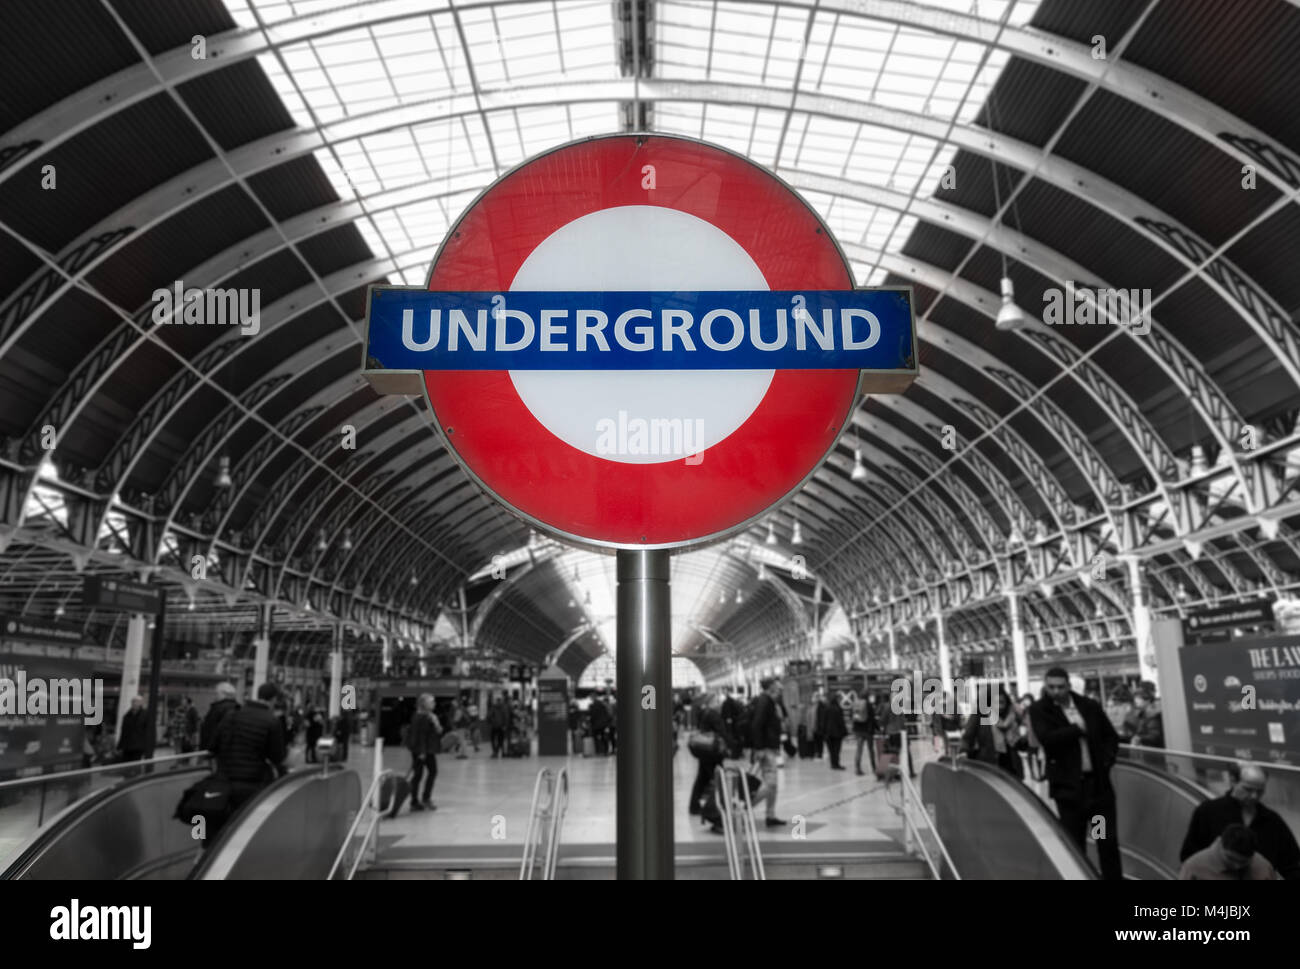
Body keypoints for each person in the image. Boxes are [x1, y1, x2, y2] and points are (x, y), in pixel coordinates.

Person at [1029, 667, 1122, 880]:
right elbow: (1048, 739)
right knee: (1076, 843)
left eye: (1060, 687)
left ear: (1069, 686)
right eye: (1051, 687)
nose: (1056, 691)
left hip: (1097, 791)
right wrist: (1076, 729)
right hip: (1070, 793)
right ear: (1045, 686)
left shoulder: (1088, 706)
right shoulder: (1040, 710)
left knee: (1104, 840)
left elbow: (1110, 737)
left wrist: (1105, 762)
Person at [1179, 763, 1300, 880]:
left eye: (1260, 791)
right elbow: (1190, 854)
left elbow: (1292, 864)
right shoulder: (1208, 811)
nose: (1254, 796)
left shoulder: (1273, 821)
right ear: (1233, 781)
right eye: (1248, 789)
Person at [210, 682, 287, 827]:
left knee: (222, 825)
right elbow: (278, 757)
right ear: (274, 699)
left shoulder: (231, 715)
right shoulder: (271, 721)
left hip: (223, 781)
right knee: (245, 825)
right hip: (252, 784)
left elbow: (212, 745)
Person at [960, 686, 1023, 779]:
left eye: (1003, 702)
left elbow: (1017, 741)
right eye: (996, 702)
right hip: (988, 762)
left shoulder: (1012, 716)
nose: (1000, 706)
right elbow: (968, 737)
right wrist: (963, 751)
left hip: (1011, 763)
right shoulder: (981, 715)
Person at [1179, 823, 1281, 880]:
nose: (1237, 866)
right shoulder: (1194, 866)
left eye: (1243, 862)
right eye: (1231, 858)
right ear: (1222, 845)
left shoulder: (1264, 867)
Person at [749, 677, 786, 828]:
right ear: (771, 686)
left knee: (774, 785)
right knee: (770, 784)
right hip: (765, 749)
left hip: (770, 747)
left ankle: (770, 815)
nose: (780, 686)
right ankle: (745, 807)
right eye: (777, 684)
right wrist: (759, 748)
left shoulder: (770, 701)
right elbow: (757, 725)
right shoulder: (764, 701)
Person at [395, 694, 441, 815]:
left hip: (426, 749)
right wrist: (421, 752)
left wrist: (435, 722)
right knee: (423, 774)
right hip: (422, 750)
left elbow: (438, 731)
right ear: (423, 704)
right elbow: (419, 736)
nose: (434, 704)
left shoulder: (428, 716)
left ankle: (418, 800)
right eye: (431, 701)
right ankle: (419, 800)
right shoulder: (419, 717)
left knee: (422, 774)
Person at [688, 692, 730, 823]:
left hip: (705, 750)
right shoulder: (712, 714)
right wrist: (732, 744)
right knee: (718, 779)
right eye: (717, 700)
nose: (719, 703)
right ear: (712, 702)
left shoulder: (705, 712)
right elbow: (722, 732)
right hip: (712, 752)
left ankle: (694, 806)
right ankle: (714, 808)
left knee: (702, 779)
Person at [200, 682, 239, 751]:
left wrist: (208, 748)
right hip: (230, 750)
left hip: (215, 750)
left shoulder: (218, 708)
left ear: (224, 694)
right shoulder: (238, 707)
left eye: (217, 693)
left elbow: (211, 729)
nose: (215, 696)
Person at [117, 695, 151, 764]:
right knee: (125, 764)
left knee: (135, 764)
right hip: (127, 745)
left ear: (141, 703)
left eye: (137, 702)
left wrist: (147, 746)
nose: (134, 703)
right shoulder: (127, 715)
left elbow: (148, 731)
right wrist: (119, 746)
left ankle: (134, 774)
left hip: (138, 745)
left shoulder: (145, 715)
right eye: (133, 702)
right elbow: (123, 731)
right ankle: (127, 774)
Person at [819, 689, 848, 770]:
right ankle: (836, 764)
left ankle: (833, 764)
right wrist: (844, 732)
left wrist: (823, 732)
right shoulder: (838, 709)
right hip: (837, 733)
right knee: (837, 749)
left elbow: (823, 721)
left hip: (828, 733)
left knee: (831, 750)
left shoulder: (826, 709)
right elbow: (841, 722)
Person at [852, 691, 878, 776]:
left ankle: (857, 768)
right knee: (871, 750)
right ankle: (874, 768)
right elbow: (872, 718)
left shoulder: (855, 704)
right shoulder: (868, 705)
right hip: (868, 731)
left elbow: (852, 716)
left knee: (859, 750)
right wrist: (877, 728)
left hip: (858, 731)